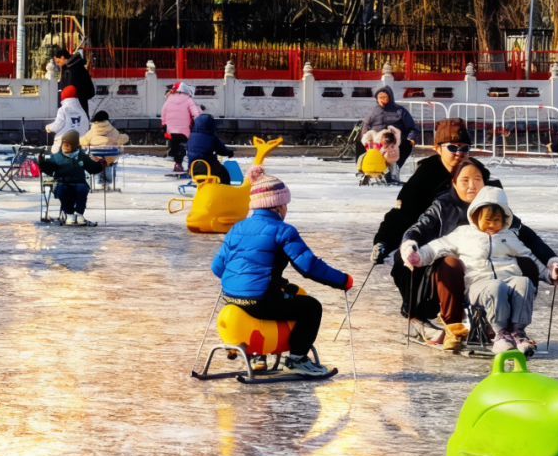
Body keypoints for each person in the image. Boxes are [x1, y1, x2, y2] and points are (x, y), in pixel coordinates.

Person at [399, 157, 558, 351]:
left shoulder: (509, 234)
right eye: (487, 220)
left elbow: (531, 254)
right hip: (477, 285)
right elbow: (436, 246)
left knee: (524, 283)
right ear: (475, 215)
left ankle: (518, 332)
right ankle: (499, 332)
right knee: (493, 286)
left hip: (507, 281)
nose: (493, 224)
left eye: (497, 219)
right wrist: (416, 255)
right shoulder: (462, 231)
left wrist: (549, 273)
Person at [210, 165, 353, 376]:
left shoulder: (237, 227)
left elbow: (217, 267)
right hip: (260, 299)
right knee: (311, 307)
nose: (286, 209)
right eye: (285, 204)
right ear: (276, 206)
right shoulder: (282, 230)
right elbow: (309, 266)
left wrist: (243, 281)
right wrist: (342, 280)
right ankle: (297, 359)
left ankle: (260, 353)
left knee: (287, 293)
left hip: (230, 298)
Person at [371, 118, 473, 344]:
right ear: (437, 148)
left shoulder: (476, 173)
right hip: (427, 239)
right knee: (404, 261)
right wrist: (383, 241)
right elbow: (401, 214)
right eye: (453, 147)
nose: (459, 153)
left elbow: (495, 209)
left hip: (469, 240)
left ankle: (479, 320)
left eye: (465, 148)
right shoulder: (425, 177)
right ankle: (417, 316)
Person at [37, 129, 105, 224]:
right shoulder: (56, 157)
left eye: (69, 144)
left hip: (79, 182)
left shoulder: (82, 157)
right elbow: (49, 169)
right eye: (64, 144)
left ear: (75, 145)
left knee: (82, 190)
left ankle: (79, 214)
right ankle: (69, 214)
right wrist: (42, 164)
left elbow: (92, 168)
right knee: (65, 191)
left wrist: (100, 164)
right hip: (62, 183)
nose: (66, 146)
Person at [356, 86, 419, 175]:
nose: (382, 99)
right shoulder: (373, 112)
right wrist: (364, 139)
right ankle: (364, 169)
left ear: (390, 97)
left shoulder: (400, 110)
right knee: (359, 142)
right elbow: (365, 126)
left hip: (395, 140)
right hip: (377, 140)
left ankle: (394, 170)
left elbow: (412, 126)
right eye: (379, 97)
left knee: (407, 144)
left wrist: (411, 137)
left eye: (384, 97)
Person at [79, 110, 129, 186]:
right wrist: (126, 137)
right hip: (110, 157)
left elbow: (83, 141)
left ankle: (99, 181)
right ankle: (107, 181)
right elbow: (121, 139)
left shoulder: (92, 131)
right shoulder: (113, 130)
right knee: (109, 161)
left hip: (96, 157)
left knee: (97, 160)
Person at [160, 82, 202, 173]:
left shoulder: (169, 99)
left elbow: (163, 112)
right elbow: (195, 112)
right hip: (185, 129)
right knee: (184, 146)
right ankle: (189, 165)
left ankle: (177, 164)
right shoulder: (188, 99)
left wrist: (164, 124)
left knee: (174, 145)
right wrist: (199, 121)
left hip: (171, 128)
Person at [186, 113, 234, 184]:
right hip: (208, 167)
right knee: (224, 173)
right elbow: (221, 150)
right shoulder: (212, 137)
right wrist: (229, 153)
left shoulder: (191, 136)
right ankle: (224, 190)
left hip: (193, 168)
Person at [45, 85, 89, 153]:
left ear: (63, 97)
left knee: (56, 155)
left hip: (64, 144)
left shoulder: (63, 109)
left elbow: (58, 125)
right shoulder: (82, 111)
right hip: (80, 145)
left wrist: (49, 127)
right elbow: (86, 126)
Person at [55, 47, 95, 116]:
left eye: (58, 62)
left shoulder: (73, 69)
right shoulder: (69, 68)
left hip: (75, 104)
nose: (57, 64)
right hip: (75, 104)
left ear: (62, 57)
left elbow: (71, 88)